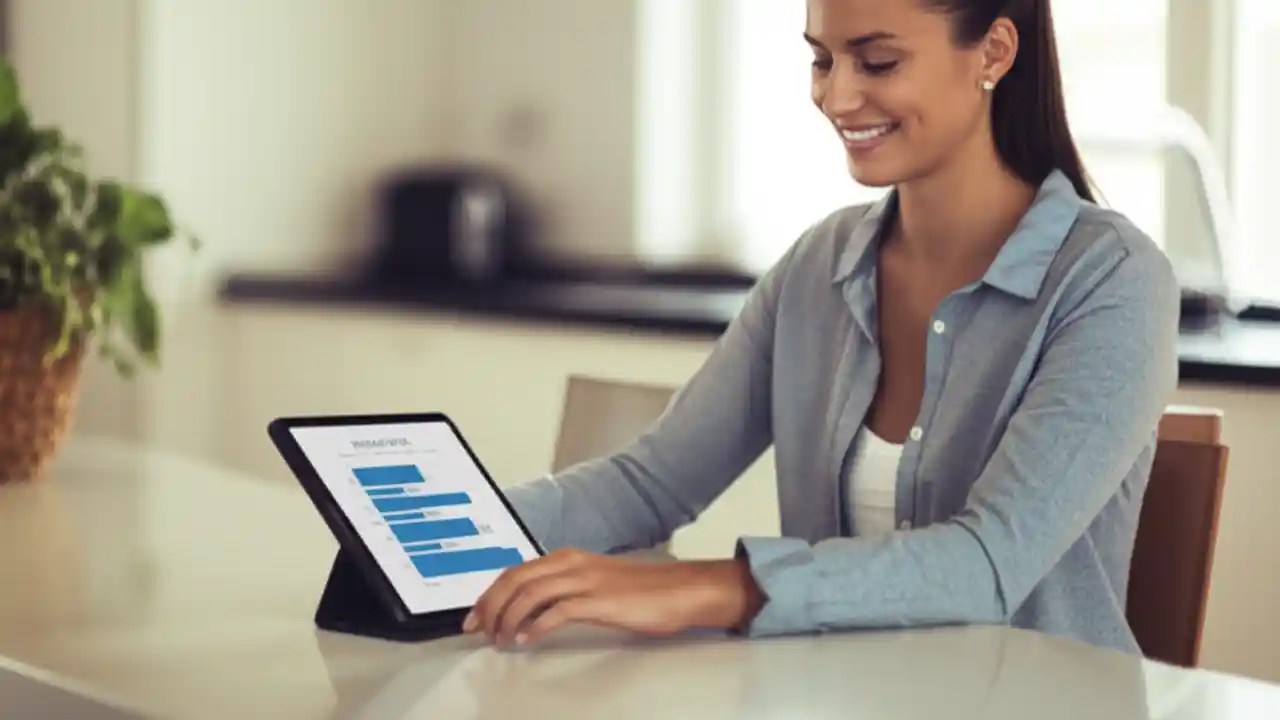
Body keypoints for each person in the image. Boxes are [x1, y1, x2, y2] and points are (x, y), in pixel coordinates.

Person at [464, 0, 1179, 653]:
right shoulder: (820, 265)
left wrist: (717, 587)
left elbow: (987, 563)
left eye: (879, 62)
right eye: (822, 60)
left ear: (993, 52)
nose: (837, 97)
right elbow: (649, 485)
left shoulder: (1112, 280)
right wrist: (449, 531)